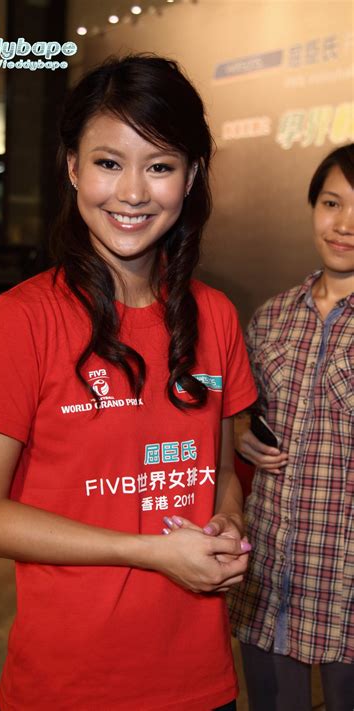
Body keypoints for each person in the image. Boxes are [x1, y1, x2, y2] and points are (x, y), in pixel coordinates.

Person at [0, 55, 257, 711]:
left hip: (200, 681)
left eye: (160, 166)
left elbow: (221, 471)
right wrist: (149, 552)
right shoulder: (23, 319)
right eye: (109, 162)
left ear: (192, 176)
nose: (133, 192)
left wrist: (227, 523)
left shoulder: (216, 316)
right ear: (72, 167)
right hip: (69, 686)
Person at [227, 145, 354, 711]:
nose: (344, 224)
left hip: (346, 583)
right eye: (331, 203)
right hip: (272, 579)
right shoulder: (272, 317)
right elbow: (242, 410)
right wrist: (239, 431)